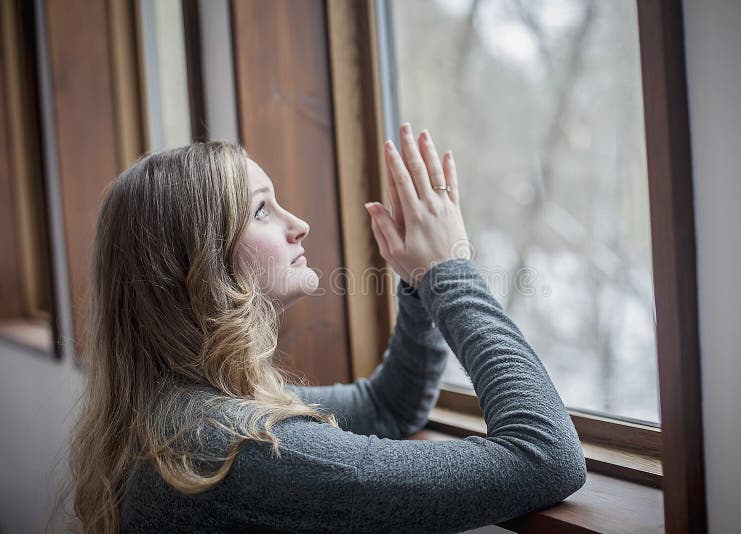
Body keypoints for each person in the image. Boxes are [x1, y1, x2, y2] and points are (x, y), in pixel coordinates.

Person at [63, 123, 586, 533]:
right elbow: (545, 457)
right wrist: (450, 271)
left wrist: (418, 283)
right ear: (197, 266)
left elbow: (390, 406)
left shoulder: (181, 410)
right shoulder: (232, 447)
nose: (300, 225)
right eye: (262, 209)